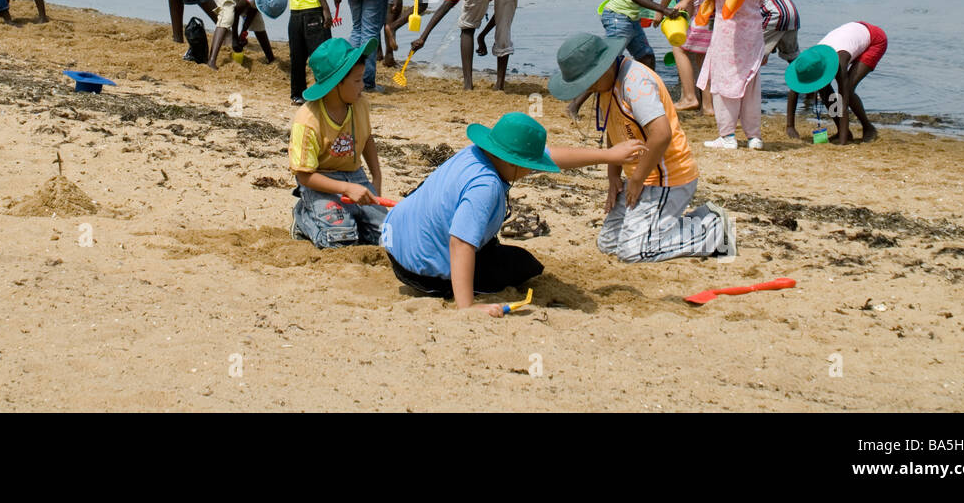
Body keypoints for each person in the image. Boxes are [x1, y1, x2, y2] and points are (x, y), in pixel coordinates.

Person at [380, 112, 646, 313]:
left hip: (396, 240)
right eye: (529, 167)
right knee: (525, 266)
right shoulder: (486, 186)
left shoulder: (475, 153)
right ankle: (454, 292)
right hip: (419, 270)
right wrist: (468, 308)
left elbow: (552, 156)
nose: (532, 171)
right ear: (512, 162)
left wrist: (610, 156)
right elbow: (460, 243)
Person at [547, 32, 735, 263]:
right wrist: (613, 175)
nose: (590, 88)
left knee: (634, 253)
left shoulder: (635, 82)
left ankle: (713, 229)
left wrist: (636, 180)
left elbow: (661, 135)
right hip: (640, 176)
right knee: (608, 244)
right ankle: (679, 224)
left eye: (591, 81)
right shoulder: (606, 87)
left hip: (667, 179)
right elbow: (613, 129)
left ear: (604, 68)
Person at [289, 37, 388, 248]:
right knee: (339, 239)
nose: (363, 86)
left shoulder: (359, 105)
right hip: (321, 180)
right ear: (336, 83)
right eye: (357, 80)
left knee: (389, 234)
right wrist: (344, 188)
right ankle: (303, 217)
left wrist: (376, 177)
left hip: (356, 177)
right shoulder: (307, 120)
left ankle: (351, 219)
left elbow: (367, 137)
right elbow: (304, 175)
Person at [697, 0, 770, 150]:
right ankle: (754, 137)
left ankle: (727, 136)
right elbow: (760, 2)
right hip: (753, 35)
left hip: (727, 35)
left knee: (724, 82)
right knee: (750, 85)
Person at [410, 0, 522, 91]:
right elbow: (500, 16)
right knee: (504, 30)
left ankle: (468, 85)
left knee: (468, 28)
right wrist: (482, 36)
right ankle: (499, 85)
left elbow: (447, 4)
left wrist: (423, 37)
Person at [785, 21, 887, 145]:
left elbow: (843, 100)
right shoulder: (807, 61)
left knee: (848, 89)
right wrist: (790, 126)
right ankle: (843, 130)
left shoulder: (839, 63)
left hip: (875, 39)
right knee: (824, 89)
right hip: (851, 34)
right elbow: (794, 90)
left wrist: (842, 143)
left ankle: (868, 127)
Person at [657, 0, 715, 114]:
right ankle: (708, 106)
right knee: (702, 58)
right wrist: (661, 10)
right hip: (705, 12)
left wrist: (686, 1)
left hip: (706, 12)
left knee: (679, 48)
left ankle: (690, 97)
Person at [206, 0, 285, 68]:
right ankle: (211, 61)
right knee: (227, 16)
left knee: (257, 23)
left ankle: (271, 58)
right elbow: (236, 12)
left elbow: (253, 10)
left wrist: (243, 32)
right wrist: (234, 39)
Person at [761, 0, 801, 66]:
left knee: (750, 54)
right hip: (791, 12)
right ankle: (812, 75)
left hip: (774, 13)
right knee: (793, 57)